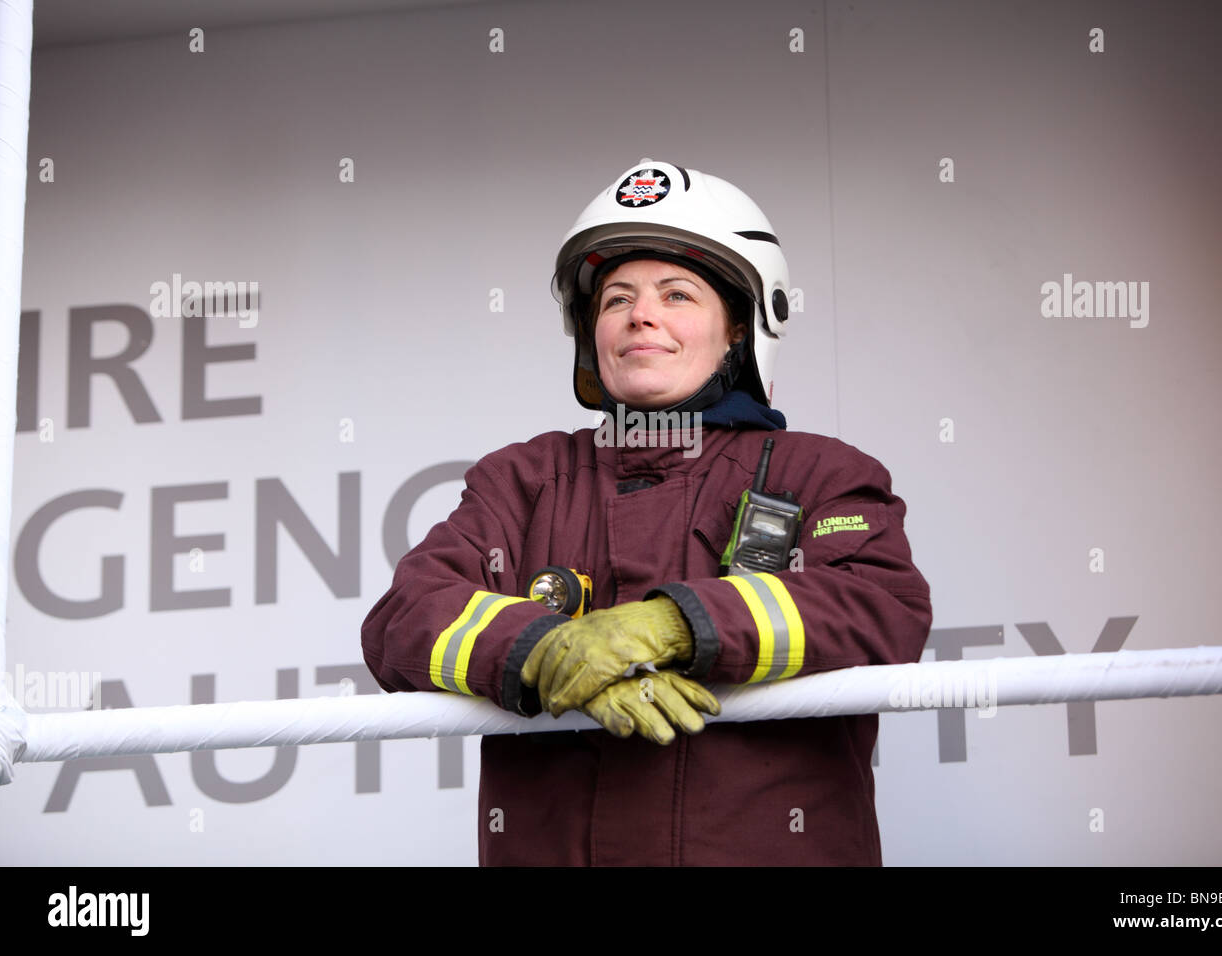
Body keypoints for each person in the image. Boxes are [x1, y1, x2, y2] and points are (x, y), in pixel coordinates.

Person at [360, 158, 933, 865]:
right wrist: (543, 649)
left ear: (739, 329)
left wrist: (671, 626)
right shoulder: (525, 479)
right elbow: (404, 618)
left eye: (677, 294)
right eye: (615, 299)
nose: (641, 315)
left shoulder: (819, 474)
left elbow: (880, 604)